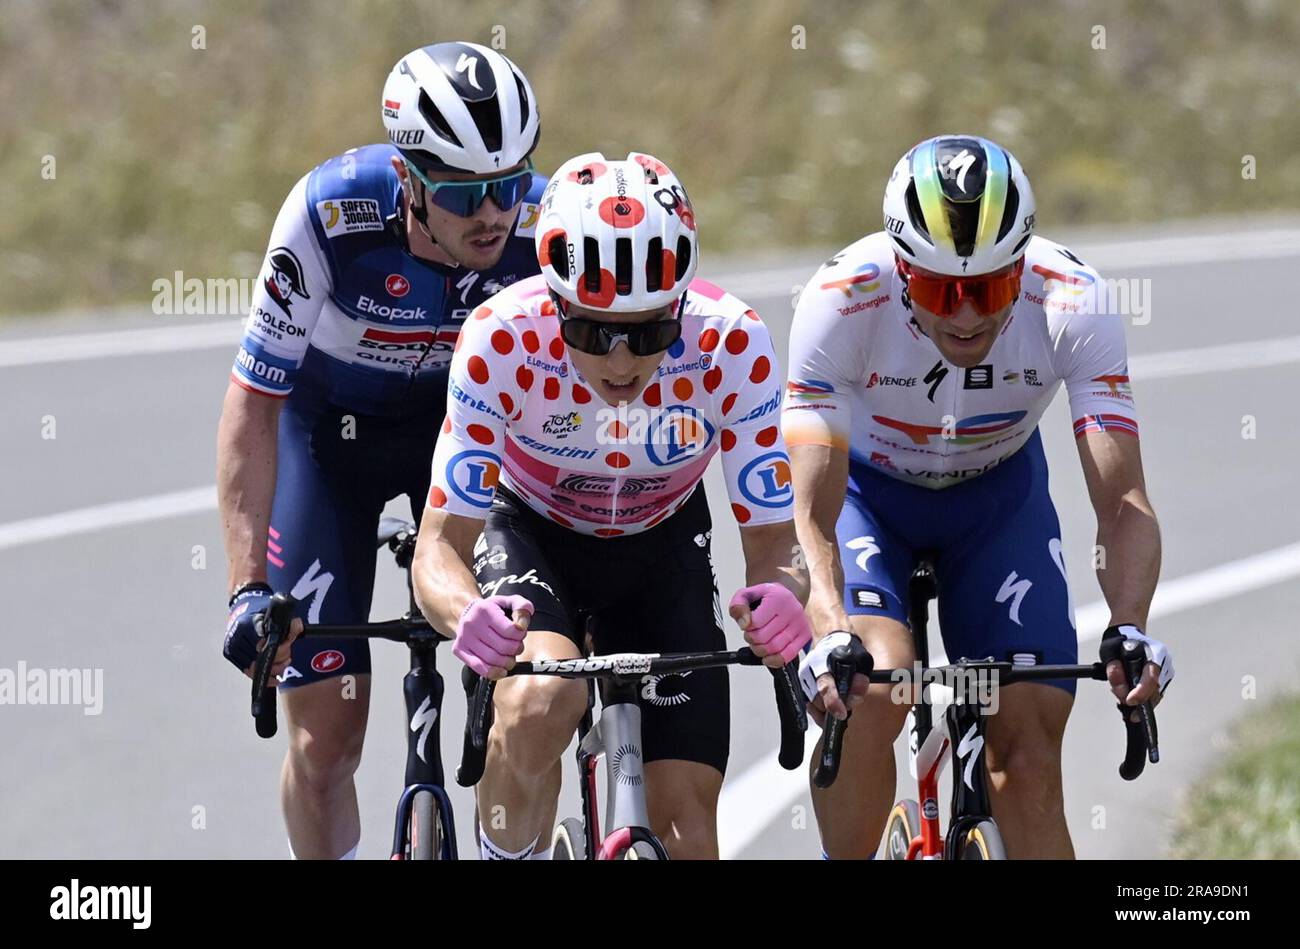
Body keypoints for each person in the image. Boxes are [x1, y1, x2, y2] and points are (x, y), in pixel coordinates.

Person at [412, 151, 811, 860]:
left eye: (651, 331)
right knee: (540, 702)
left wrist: (784, 597)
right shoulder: (501, 338)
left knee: (688, 826)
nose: (622, 362)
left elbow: (777, 547)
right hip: (531, 532)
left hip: (661, 545)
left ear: (682, 305)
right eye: (595, 332)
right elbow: (440, 547)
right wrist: (464, 612)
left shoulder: (733, 341)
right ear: (556, 302)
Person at [784, 135, 1173, 859]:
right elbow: (808, 514)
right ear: (901, 272)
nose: (965, 316)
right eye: (939, 291)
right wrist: (831, 625)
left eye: (989, 289)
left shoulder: (1072, 299)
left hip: (996, 501)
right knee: (873, 691)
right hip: (867, 497)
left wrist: (1130, 624)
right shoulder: (840, 300)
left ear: (1021, 266)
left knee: (1027, 750)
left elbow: (1122, 502)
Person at [217, 41, 544, 860]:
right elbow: (255, 403)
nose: (494, 214)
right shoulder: (329, 216)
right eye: (467, 193)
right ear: (407, 181)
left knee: (537, 687)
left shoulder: (544, 225)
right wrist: (246, 587)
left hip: (467, 438)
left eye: (509, 184)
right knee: (325, 744)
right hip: (332, 442)